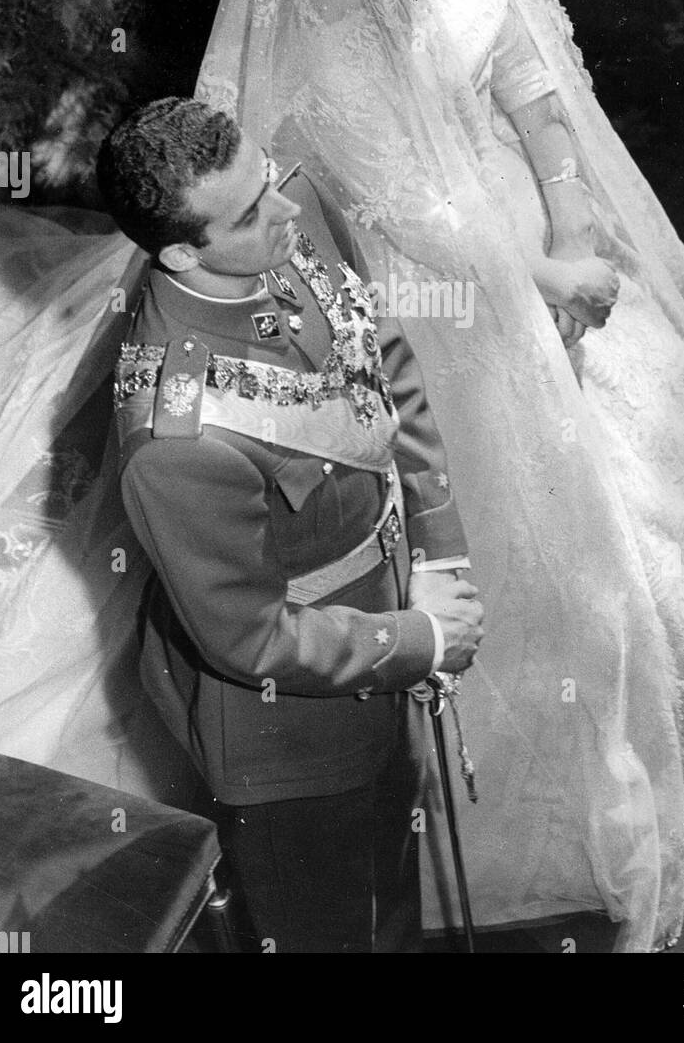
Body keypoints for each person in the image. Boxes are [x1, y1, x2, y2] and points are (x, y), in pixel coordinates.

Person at [193, 0, 684, 950]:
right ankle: (574, 814)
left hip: (542, 260)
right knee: (551, 533)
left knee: (681, 476)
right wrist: (536, 286)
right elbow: (405, 236)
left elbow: (545, 129)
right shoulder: (324, 56)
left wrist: (580, 247)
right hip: (452, 306)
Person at [95, 96, 483, 952]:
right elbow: (251, 641)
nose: (283, 209)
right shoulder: (173, 438)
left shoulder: (275, 217)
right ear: (177, 251)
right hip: (288, 738)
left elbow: (382, 364)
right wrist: (417, 640)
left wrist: (439, 560)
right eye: (248, 211)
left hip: (384, 633)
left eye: (265, 179)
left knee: (397, 919)